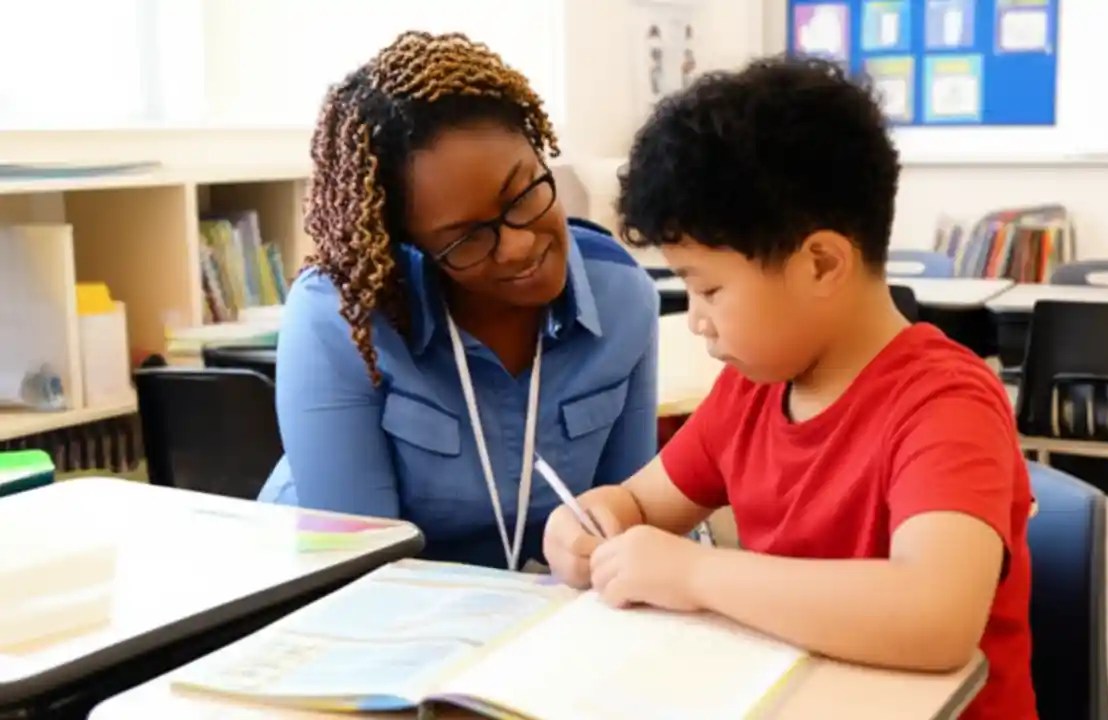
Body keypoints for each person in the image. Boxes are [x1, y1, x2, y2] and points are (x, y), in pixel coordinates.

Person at [544, 57, 1036, 719]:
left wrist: (693, 574)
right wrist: (588, 527)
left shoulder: (946, 404)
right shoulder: (750, 391)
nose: (695, 318)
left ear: (821, 263)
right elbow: (638, 504)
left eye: (709, 288)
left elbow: (935, 616)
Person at [259, 31, 659, 572]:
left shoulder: (622, 297)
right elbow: (360, 573)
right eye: (467, 237)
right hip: (354, 606)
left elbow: (631, 516)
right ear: (407, 244)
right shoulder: (341, 316)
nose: (519, 245)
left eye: (524, 193)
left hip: (541, 613)